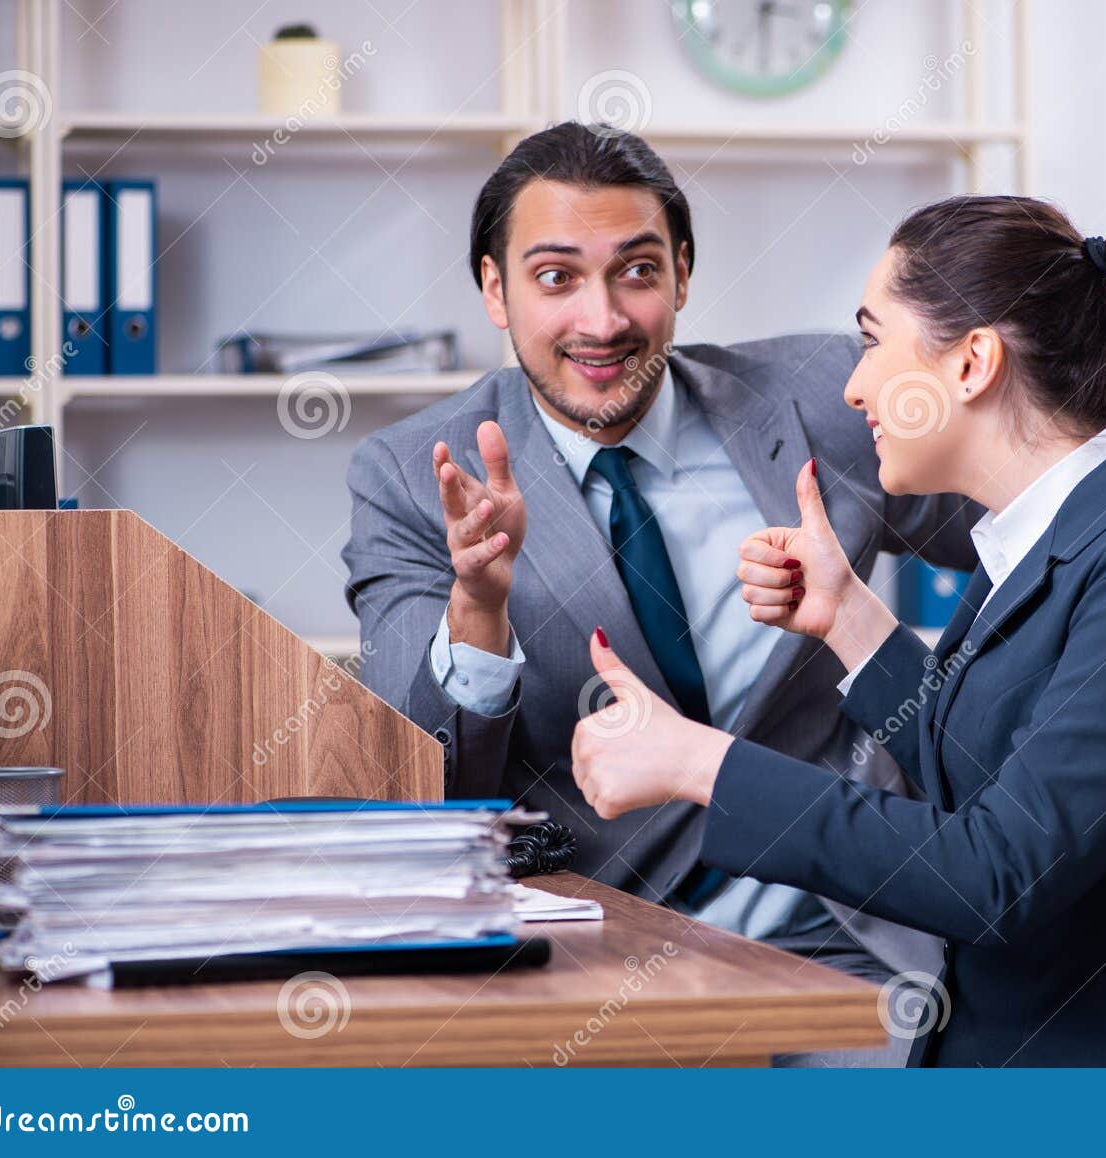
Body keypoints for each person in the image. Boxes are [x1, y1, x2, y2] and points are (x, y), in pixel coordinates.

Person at [567, 194, 1106, 1067]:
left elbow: (999, 872)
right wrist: (849, 620)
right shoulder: (1050, 536)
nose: (852, 385)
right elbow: (988, 781)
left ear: (972, 364)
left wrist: (701, 762)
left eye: (874, 341)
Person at [341, 123, 983, 1064]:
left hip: (840, 932)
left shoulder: (825, 400)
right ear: (494, 290)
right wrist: (477, 608)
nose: (602, 322)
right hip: (589, 952)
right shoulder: (408, 472)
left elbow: (1040, 524)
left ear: (682, 274)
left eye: (636, 272)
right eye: (556, 278)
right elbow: (424, 790)